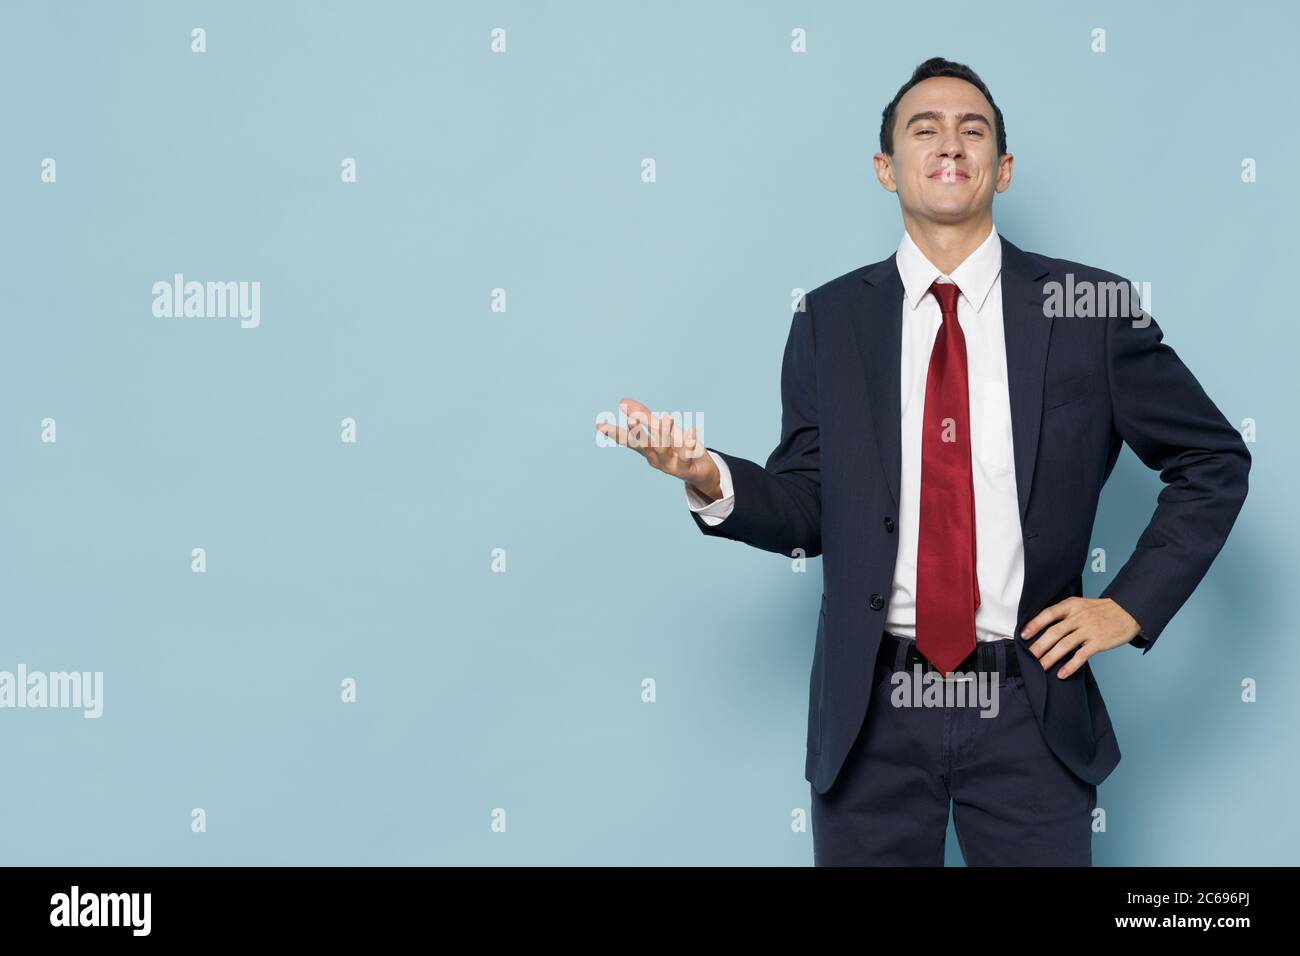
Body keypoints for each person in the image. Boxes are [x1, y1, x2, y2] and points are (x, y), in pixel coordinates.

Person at [595, 56, 1250, 865]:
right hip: (870, 714)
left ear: (1002, 169)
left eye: (973, 130)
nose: (950, 142)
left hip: (1030, 706)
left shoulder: (1091, 309)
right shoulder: (828, 319)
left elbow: (1213, 459)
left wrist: (1128, 607)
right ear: (886, 167)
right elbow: (810, 508)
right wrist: (708, 476)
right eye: (924, 128)